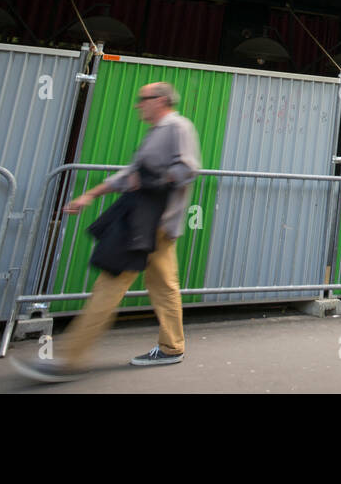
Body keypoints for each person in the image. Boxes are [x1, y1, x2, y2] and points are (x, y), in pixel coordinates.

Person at [13, 81, 201, 382]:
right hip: (153, 226)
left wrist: (152, 180)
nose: (139, 104)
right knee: (165, 287)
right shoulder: (157, 132)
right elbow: (129, 176)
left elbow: (187, 170)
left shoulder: (177, 127)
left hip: (151, 225)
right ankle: (171, 347)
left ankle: (70, 361)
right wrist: (92, 194)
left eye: (144, 99)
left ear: (161, 100)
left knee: (109, 285)